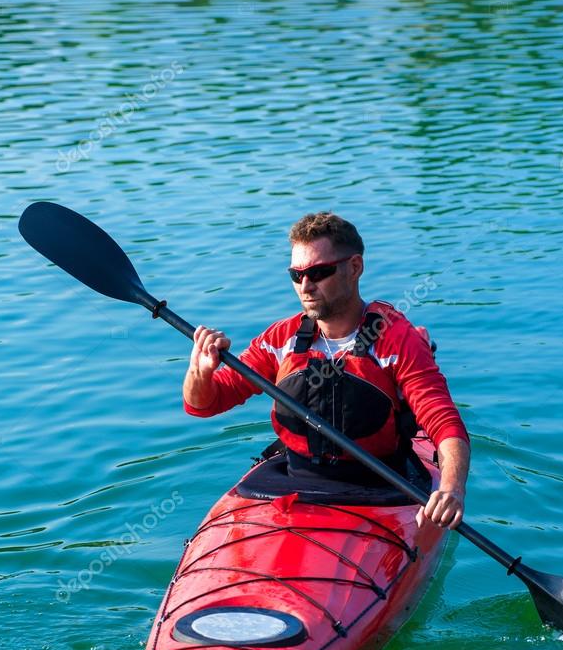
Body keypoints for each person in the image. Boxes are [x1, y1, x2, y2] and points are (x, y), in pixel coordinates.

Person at [183, 212, 470, 540]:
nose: (305, 286)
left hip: (381, 484)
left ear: (355, 267)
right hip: (296, 478)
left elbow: (444, 423)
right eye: (296, 274)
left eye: (319, 272)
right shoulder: (282, 339)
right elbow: (204, 405)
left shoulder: (396, 340)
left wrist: (451, 490)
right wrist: (199, 372)